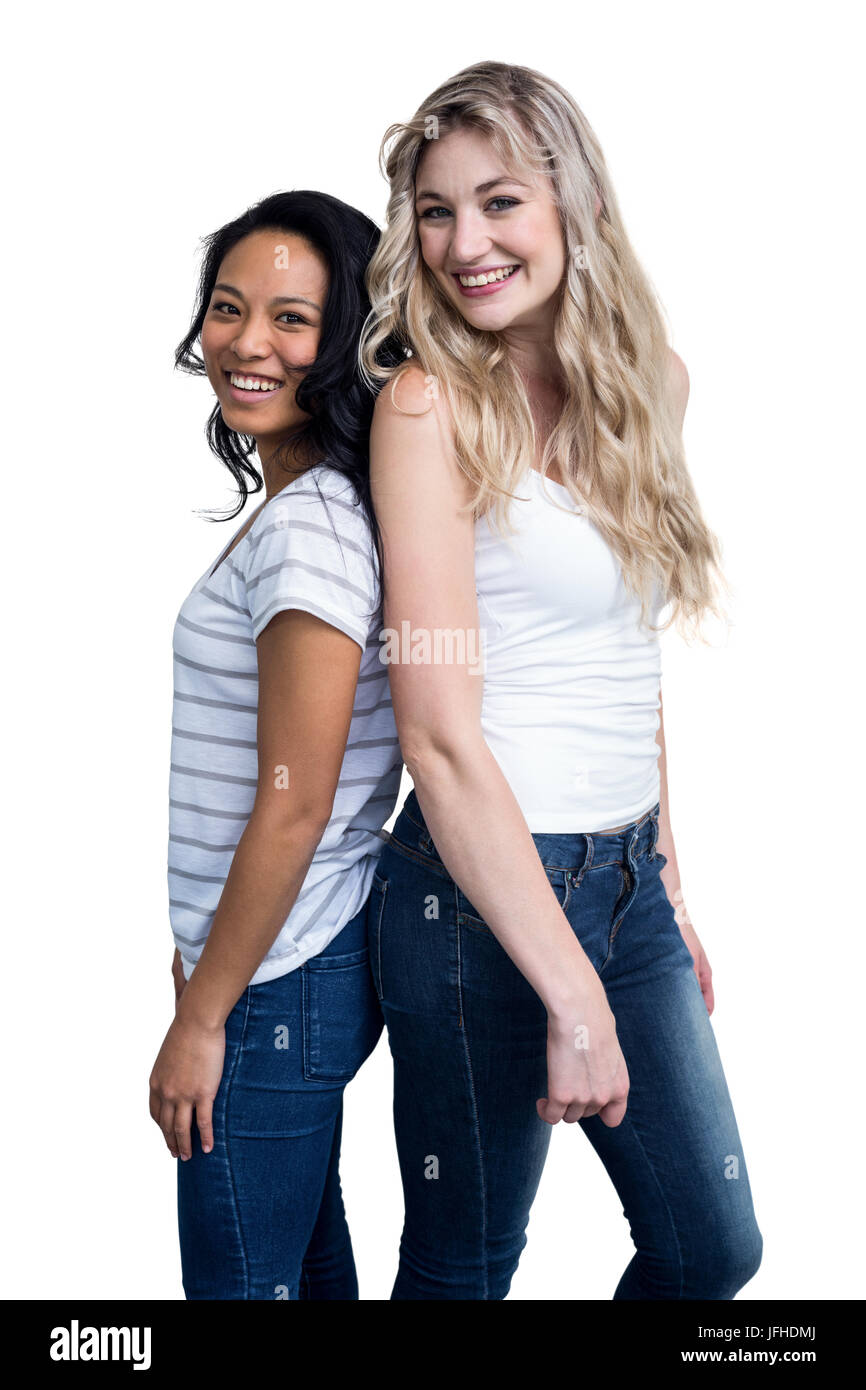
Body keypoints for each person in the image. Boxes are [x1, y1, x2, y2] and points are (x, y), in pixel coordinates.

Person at [360, 60, 763, 1300]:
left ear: (570, 205)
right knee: (465, 1266)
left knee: (711, 1251)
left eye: (498, 203)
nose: (464, 244)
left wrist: (667, 887)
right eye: (435, 212)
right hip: (473, 901)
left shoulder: (654, 388)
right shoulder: (427, 410)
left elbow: (627, 660)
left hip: (624, 877)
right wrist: (569, 986)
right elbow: (434, 735)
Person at [148, 191, 401, 1300]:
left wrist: (206, 1012)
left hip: (277, 981)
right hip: (282, 963)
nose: (247, 343)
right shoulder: (316, 507)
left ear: (345, 340)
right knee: (302, 1269)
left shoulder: (312, 529)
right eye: (227, 308)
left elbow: (293, 802)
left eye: (292, 319)